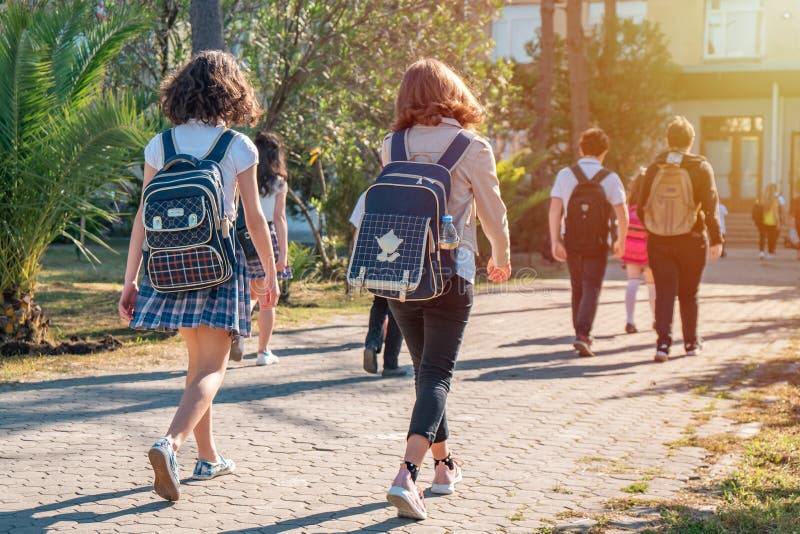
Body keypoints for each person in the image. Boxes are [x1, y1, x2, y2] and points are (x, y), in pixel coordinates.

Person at [118, 51, 278, 501]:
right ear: (231, 91)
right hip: (218, 263)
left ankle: (207, 458)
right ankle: (170, 443)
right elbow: (252, 217)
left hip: (168, 266)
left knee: (196, 365)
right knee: (213, 367)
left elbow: (141, 218)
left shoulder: (160, 145)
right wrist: (268, 272)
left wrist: (130, 279)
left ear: (182, 90)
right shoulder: (237, 146)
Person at [381, 59, 511, 520]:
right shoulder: (471, 146)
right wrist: (501, 255)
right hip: (450, 274)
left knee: (425, 375)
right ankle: (405, 476)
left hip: (398, 276)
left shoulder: (391, 145)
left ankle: (444, 469)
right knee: (436, 376)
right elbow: (493, 213)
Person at [638, 116, 723, 363]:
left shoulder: (655, 167)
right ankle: (690, 344)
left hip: (659, 240)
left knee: (664, 291)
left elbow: (642, 206)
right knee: (689, 293)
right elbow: (710, 204)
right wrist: (716, 239)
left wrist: (655, 229)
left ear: (667, 140)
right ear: (691, 141)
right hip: (692, 239)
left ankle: (663, 345)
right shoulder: (700, 166)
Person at [549, 128, 629, 357]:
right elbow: (622, 214)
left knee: (577, 286)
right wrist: (620, 241)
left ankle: (580, 332)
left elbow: (555, 209)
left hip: (571, 240)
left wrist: (555, 240)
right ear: (604, 152)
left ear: (581, 148)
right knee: (592, 286)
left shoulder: (565, 175)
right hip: (598, 241)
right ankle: (583, 335)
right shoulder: (610, 178)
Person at [244, 132, 293, 366]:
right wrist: (282, 253)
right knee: (269, 298)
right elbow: (279, 218)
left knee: (252, 293)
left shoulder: (244, 176)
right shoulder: (279, 181)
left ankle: (238, 332)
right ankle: (263, 352)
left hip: (244, 238)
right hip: (268, 237)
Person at [349, 193, 407, 378]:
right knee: (397, 309)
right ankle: (390, 364)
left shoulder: (371, 192)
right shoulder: (410, 191)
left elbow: (359, 227)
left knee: (380, 303)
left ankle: (371, 344)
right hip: (401, 257)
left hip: (377, 257)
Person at [621, 169, 655, 334]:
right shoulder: (650, 207)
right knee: (652, 286)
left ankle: (629, 320)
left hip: (631, 249)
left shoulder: (629, 207)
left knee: (632, 283)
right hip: (648, 249)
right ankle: (656, 320)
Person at [757, 183, 783, 259]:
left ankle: (761, 252)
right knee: (771, 238)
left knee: (762, 237)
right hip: (772, 222)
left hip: (762, 221)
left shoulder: (763, 199)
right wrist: (778, 223)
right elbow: (776, 213)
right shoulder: (775, 200)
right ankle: (770, 252)